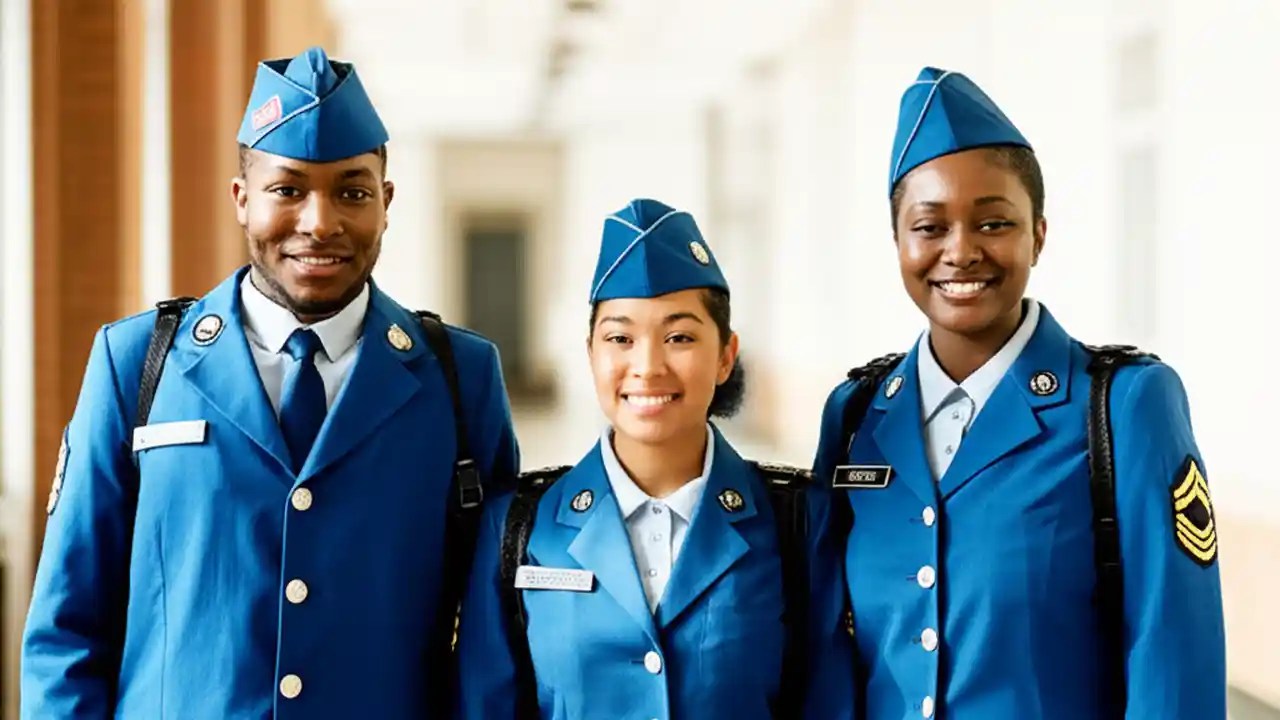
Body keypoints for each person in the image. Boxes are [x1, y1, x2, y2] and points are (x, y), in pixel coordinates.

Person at [21, 46, 519, 719]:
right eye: (287, 189)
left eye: (352, 190)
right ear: (241, 199)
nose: (320, 222)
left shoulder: (460, 379)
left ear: (386, 201)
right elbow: (66, 629)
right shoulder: (138, 362)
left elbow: (491, 643)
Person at [812, 66, 1226, 719]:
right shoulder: (856, 415)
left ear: (1038, 231)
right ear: (897, 241)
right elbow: (827, 651)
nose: (960, 252)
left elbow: (1174, 655)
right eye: (929, 227)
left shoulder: (1122, 407)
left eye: (993, 223)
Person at [454, 199, 854, 719]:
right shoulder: (517, 529)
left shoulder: (799, 525)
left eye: (679, 337)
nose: (646, 366)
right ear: (592, 353)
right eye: (620, 338)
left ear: (726, 356)